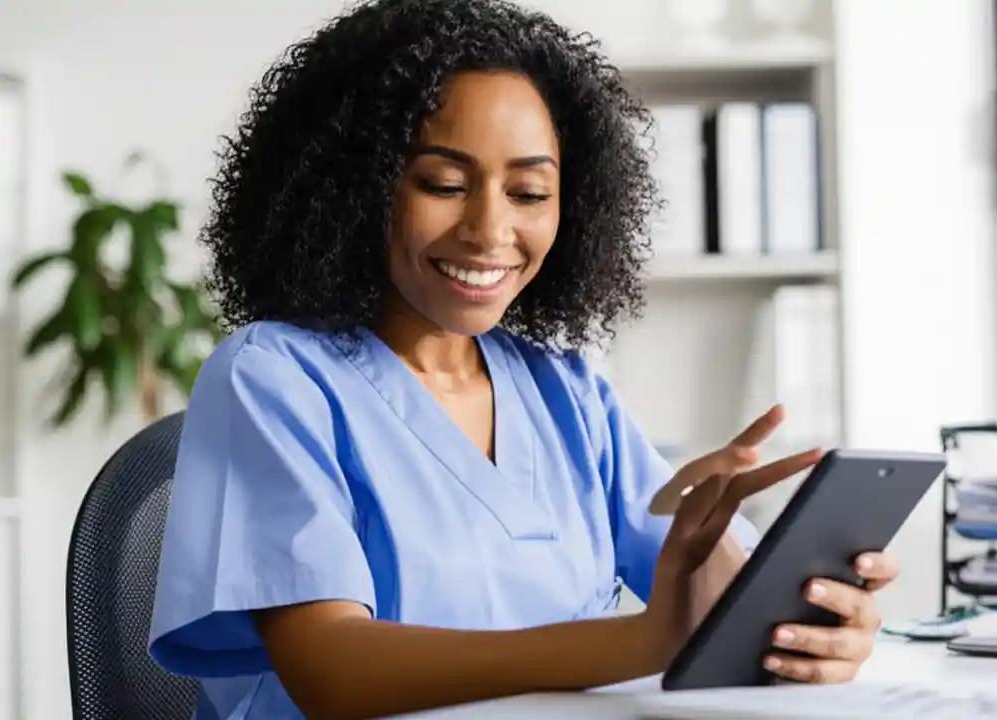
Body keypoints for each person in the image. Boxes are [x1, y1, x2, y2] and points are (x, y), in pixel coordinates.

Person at [147, 0, 900, 717]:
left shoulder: (567, 394)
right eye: (443, 183)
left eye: (530, 192)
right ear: (354, 189)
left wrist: (802, 629)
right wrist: (636, 642)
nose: (490, 229)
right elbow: (330, 672)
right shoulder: (273, 377)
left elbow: (701, 610)